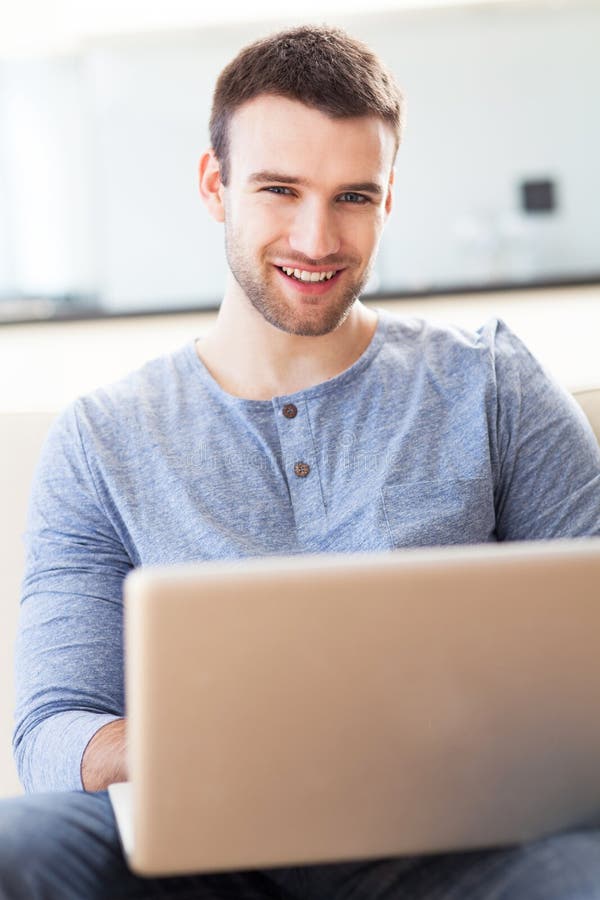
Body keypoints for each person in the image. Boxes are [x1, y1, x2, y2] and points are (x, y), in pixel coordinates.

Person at [1, 23, 600, 900]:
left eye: (353, 196)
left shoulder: (492, 384)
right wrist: (193, 741)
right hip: (208, 864)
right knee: (19, 846)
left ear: (389, 199)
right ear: (216, 185)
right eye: (280, 190)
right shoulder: (102, 439)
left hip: (471, 854)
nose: (317, 239)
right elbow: (51, 737)